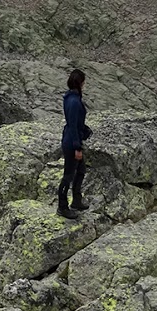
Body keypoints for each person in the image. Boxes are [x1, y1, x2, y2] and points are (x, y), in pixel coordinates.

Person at [57, 69, 91, 219]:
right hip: (71, 143)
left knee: (81, 170)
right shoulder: (74, 102)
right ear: (80, 82)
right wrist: (77, 147)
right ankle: (62, 206)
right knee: (68, 176)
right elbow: (72, 126)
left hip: (71, 140)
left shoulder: (70, 97)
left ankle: (76, 200)